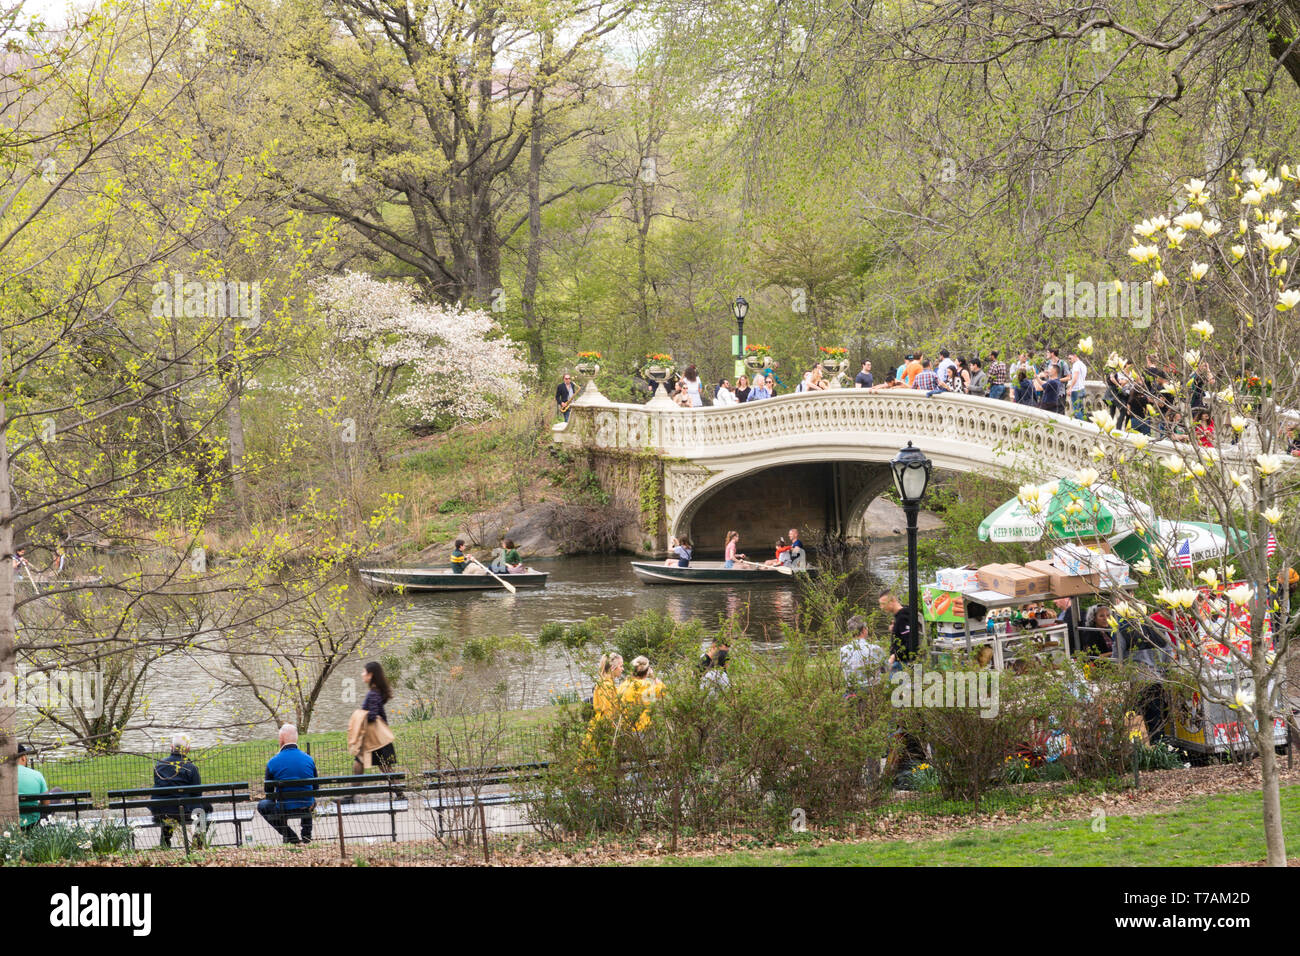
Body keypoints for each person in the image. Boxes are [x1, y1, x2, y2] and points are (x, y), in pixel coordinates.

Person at [258, 724, 317, 844]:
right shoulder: (309, 759)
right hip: (306, 806)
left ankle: (291, 836)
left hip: (284, 808)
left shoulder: (273, 762)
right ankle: (306, 836)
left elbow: (269, 793)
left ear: (281, 739)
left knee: (263, 805)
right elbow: (315, 788)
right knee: (309, 798)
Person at [152, 733, 213, 848]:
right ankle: (198, 842)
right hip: (184, 813)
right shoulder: (190, 767)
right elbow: (197, 793)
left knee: (168, 805)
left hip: (161, 812)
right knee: (205, 808)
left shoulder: (159, 765)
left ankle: (165, 842)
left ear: (171, 747)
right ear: (188, 749)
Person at [617, 656, 664, 732]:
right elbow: (663, 691)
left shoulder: (624, 685)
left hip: (625, 727)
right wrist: (653, 676)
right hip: (643, 727)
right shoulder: (648, 685)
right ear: (647, 672)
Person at [840, 615, 885, 691]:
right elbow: (885, 669)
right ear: (864, 630)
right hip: (871, 691)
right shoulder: (874, 649)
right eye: (867, 628)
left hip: (851, 691)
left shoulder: (843, 650)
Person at [16, 742, 48, 830]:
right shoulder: (37, 775)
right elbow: (46, 803)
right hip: (33, 822)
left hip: (8, 822)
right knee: (58, 790)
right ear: (23, 757)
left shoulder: (3, 775)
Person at [878, 591, 912, 664]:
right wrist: (894, 630)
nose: (881, 607)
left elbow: (910, 642)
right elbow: (902, 636)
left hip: (904, 662)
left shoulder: (903, 617)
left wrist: (894, 656)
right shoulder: (900, 615)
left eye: (883, 604)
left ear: (893, 601)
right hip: (901, 660)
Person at [591, 653, 624, 722]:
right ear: (612, 668)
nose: (623, 669)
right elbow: (607, 714)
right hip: (604, 728)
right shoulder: (607, 686)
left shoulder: (605, 683)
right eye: (621, 666)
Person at [1067, 350, 1088, 420]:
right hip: (1082, 389)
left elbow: (1075, 377)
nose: (1069, 360)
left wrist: (1070, 388)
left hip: (1076, 390)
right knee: (1081, 410)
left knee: (1077, 411)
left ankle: (1082, 427)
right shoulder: (1083, 364)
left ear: (1075, 356)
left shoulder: (1076, 364)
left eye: (1070, 358)